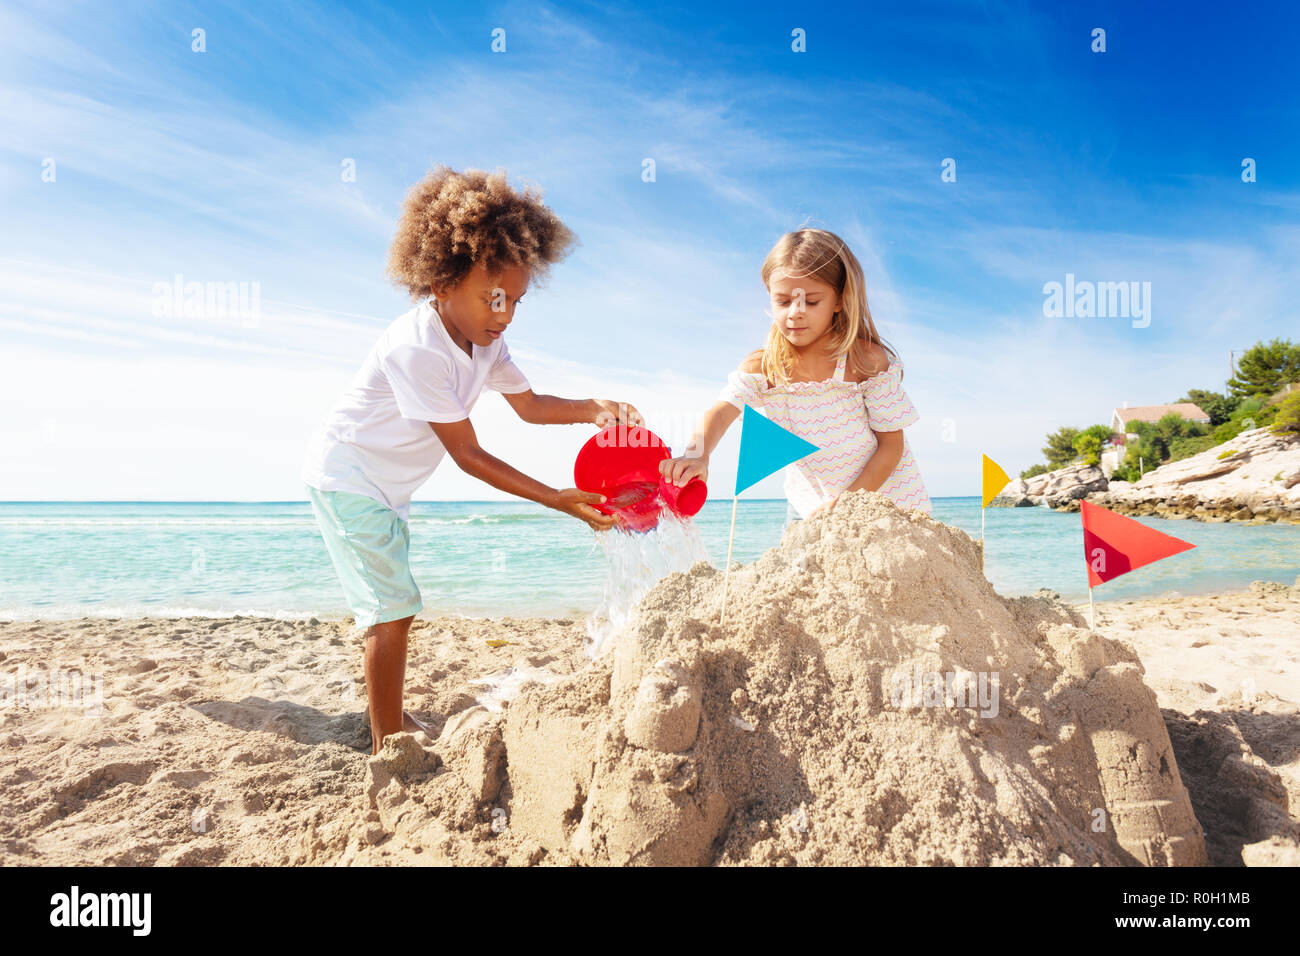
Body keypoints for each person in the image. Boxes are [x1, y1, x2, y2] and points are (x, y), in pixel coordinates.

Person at [302, 166, 641, 754]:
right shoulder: (417, 348)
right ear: (440, 281)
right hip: (348, 475)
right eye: (492, 297)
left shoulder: (486, 342)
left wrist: (593, 408)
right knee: (393, 608)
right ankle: (389, 741)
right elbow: (467, 454)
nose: (505, 312)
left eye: (515, 300)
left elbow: (530, 407)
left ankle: (390, 718)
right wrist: (558, 498)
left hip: (388, 486)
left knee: (393, 603)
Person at [660, 227, 930, 523]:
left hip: (890, 505)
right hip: (814, 508)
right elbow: (722, 410)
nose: (795, 312)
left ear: (839, 300)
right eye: (783, 301)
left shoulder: (865, 363)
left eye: (811, 302)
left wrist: (846, 505)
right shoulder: (765, 368)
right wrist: (697, 453)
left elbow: (891, 447)